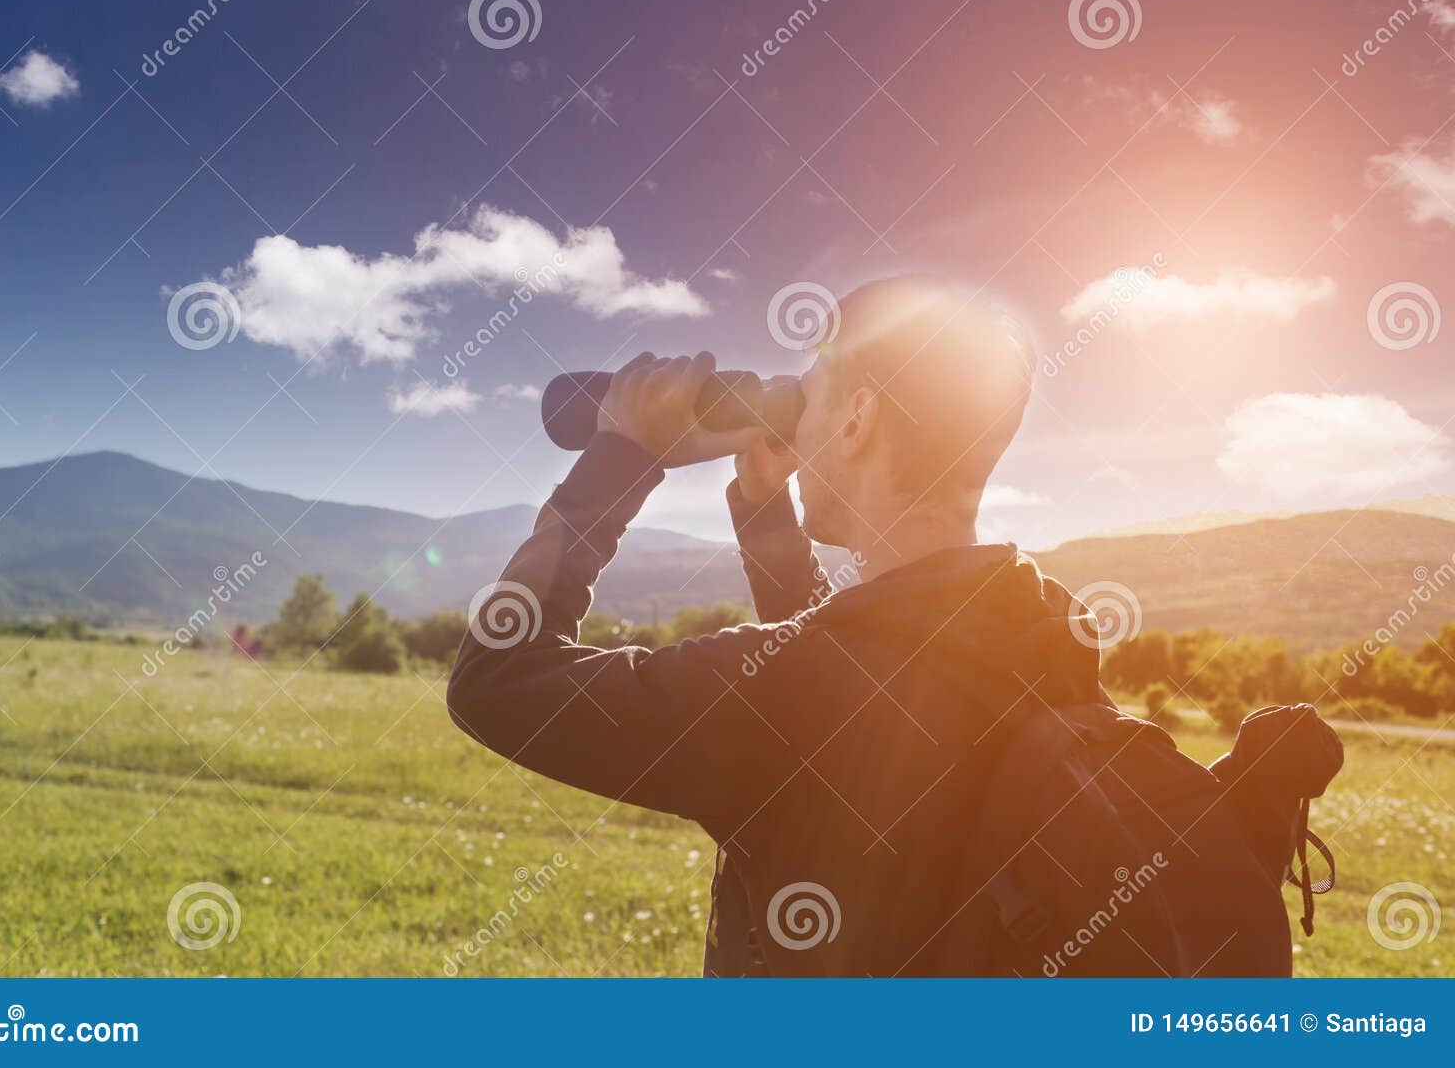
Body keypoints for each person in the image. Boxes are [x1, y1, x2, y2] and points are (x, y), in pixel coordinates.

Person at [447, 276, 1292, 976]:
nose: (791, 420)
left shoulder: (798, 692)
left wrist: (620, 455)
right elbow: (867, 682)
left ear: (856, 420)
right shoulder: (1040, 637)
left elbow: (497, 682)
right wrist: (765, 511)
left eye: (805, 399)